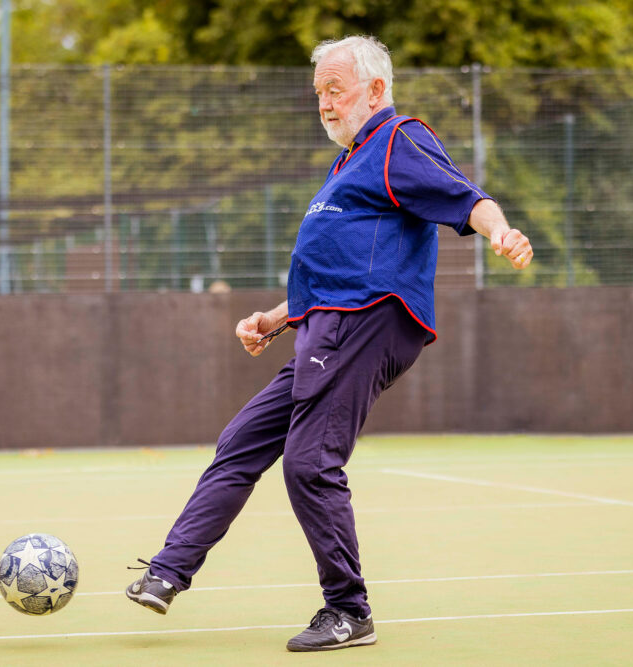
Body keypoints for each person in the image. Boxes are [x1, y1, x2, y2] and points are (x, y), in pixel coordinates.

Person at [126, 35, 533, 652]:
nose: (324, 103)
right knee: (242, 441)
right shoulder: (348, 164)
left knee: (310, 461)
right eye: (318, 92)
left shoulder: (399, 140)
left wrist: (502, 233)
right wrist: (270, 319)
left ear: (375, 90)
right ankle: (167, 572)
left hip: (365, 325)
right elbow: (332, 276)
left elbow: (467, 198)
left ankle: (348, 610)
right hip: (328, 328)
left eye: (335, 89)